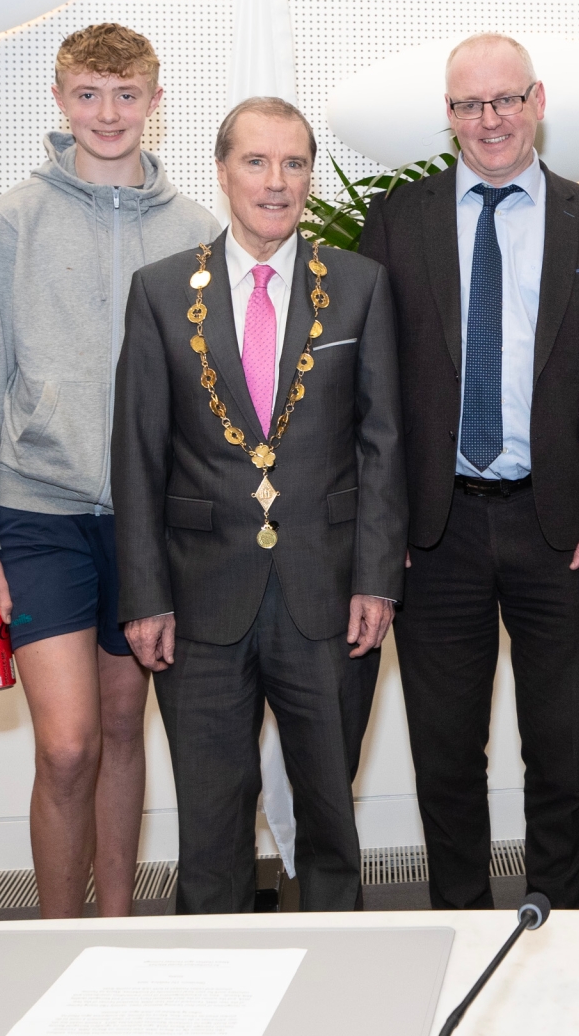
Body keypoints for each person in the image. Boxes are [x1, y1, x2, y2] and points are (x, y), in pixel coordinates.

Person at [358, 33, 579, 910]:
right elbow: (370, 387)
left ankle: (559, 922)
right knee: (446, 752)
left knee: (560, 749)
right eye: (469, 105)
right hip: (433, 531)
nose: (490, 120)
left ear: (538, 100)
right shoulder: (398, 220)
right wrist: (381, 526)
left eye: (505, 100)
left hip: (558, 525)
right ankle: (463, 924)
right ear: (448, 117)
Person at [0, 24, 221, 918]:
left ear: (155, 100)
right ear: (61, 99)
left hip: (148, 521)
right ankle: (55, 938)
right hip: (39, 514)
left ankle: (117, 929)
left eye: (128, 93)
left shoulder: (195, 230)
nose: (109, 113)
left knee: (119, 727)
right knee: (66, 745)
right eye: (89, 94)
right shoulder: (14, 219)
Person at [113, 97, 405, 913]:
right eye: (256, 162)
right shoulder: (162, 292)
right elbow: (136, 454)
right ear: (222, 170)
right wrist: (144, 596)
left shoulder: (359, 286)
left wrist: (377, 579)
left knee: (329, 823)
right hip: (199, 600)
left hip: (330, 593)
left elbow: (384, 443)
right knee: (209, 830)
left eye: (294, 164)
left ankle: (339, 998)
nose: (276, 183)